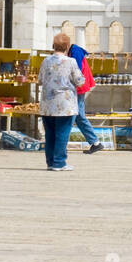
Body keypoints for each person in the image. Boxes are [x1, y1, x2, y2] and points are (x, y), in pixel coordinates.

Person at [39, 33, 85, 171]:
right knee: (62, 134)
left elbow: (40, 79)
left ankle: (50, 162)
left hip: (47, 103)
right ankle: (59, 162)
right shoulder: (71, 61)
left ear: (53, 45)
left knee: (50, 134)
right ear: (67, 46)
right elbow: (79, 81)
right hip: (65, 104)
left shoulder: (45, 61)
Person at [68, 43, 104, 154]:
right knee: (79, 116)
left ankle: (59, 143)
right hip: (79, 85)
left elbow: (76, 70)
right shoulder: (74, 51)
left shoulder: (76, 52)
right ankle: (95, 142)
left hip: (79, 86)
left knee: (73, 115)